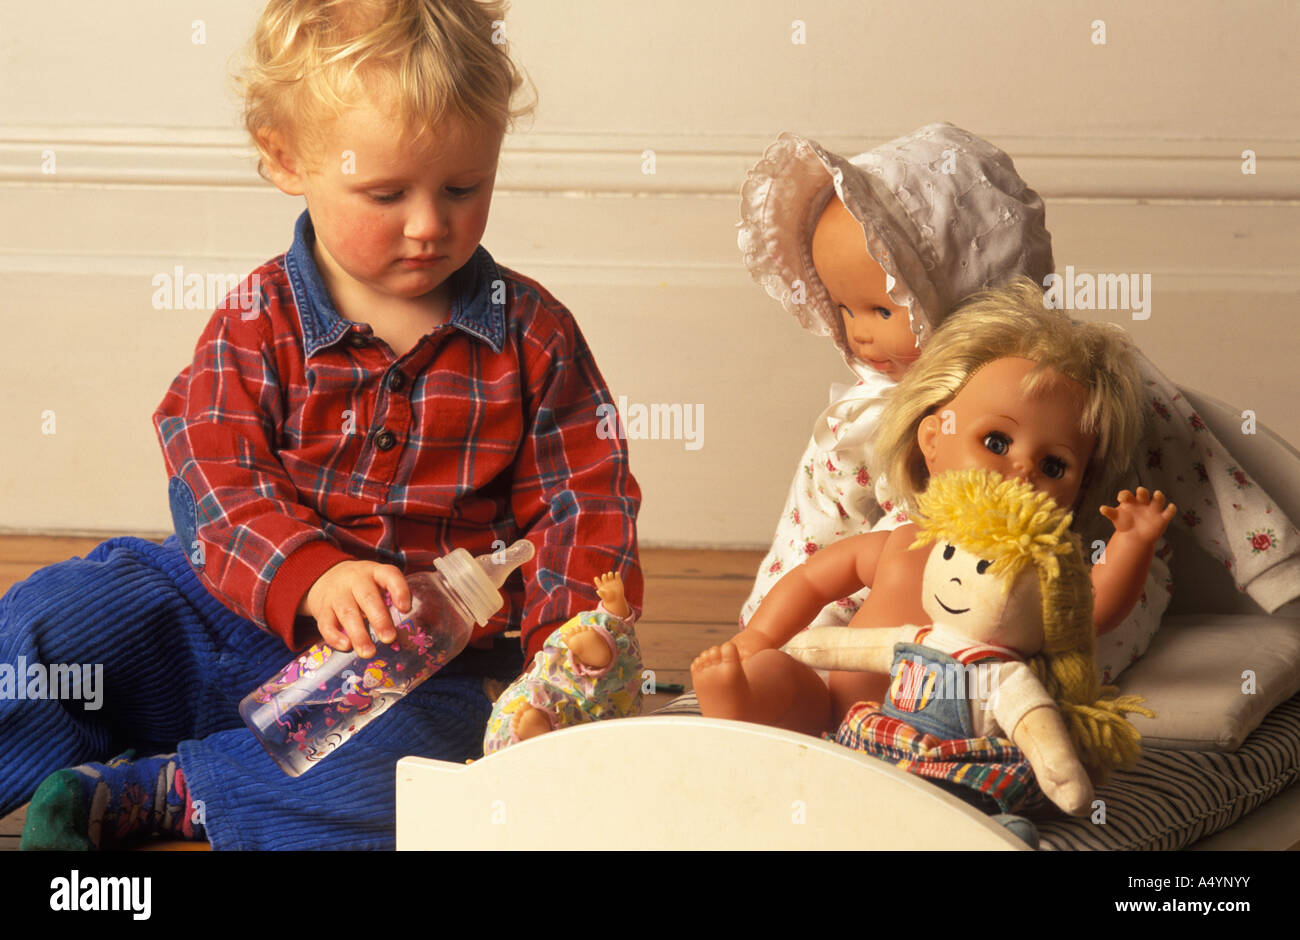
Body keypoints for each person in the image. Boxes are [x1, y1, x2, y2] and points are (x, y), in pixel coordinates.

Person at [11, 0, 641, 851]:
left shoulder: (532, 336)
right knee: (59, 621)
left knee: (436, 773)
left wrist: (570, 658)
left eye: (464, 188)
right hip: (225, 615)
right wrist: (310, 574)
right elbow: (212, 466)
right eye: (386, 193)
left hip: (412, 673)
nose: (429, 224)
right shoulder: (257, 316)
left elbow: (582, 502)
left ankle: (174, 790)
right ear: (285, 158)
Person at [693, 279, 1170, 734]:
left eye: (1053, 464)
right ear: (931, 440)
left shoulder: (1032, 577)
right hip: (839, 713)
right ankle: (739, 700)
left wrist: (1133, 542)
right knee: (777, 672)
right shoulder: (900, 541)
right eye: (997, 441)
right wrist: (757, 639)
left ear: (1077, 492)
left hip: (955, 735)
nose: (1023, 467)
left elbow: (1093, 610)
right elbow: (811, 579)